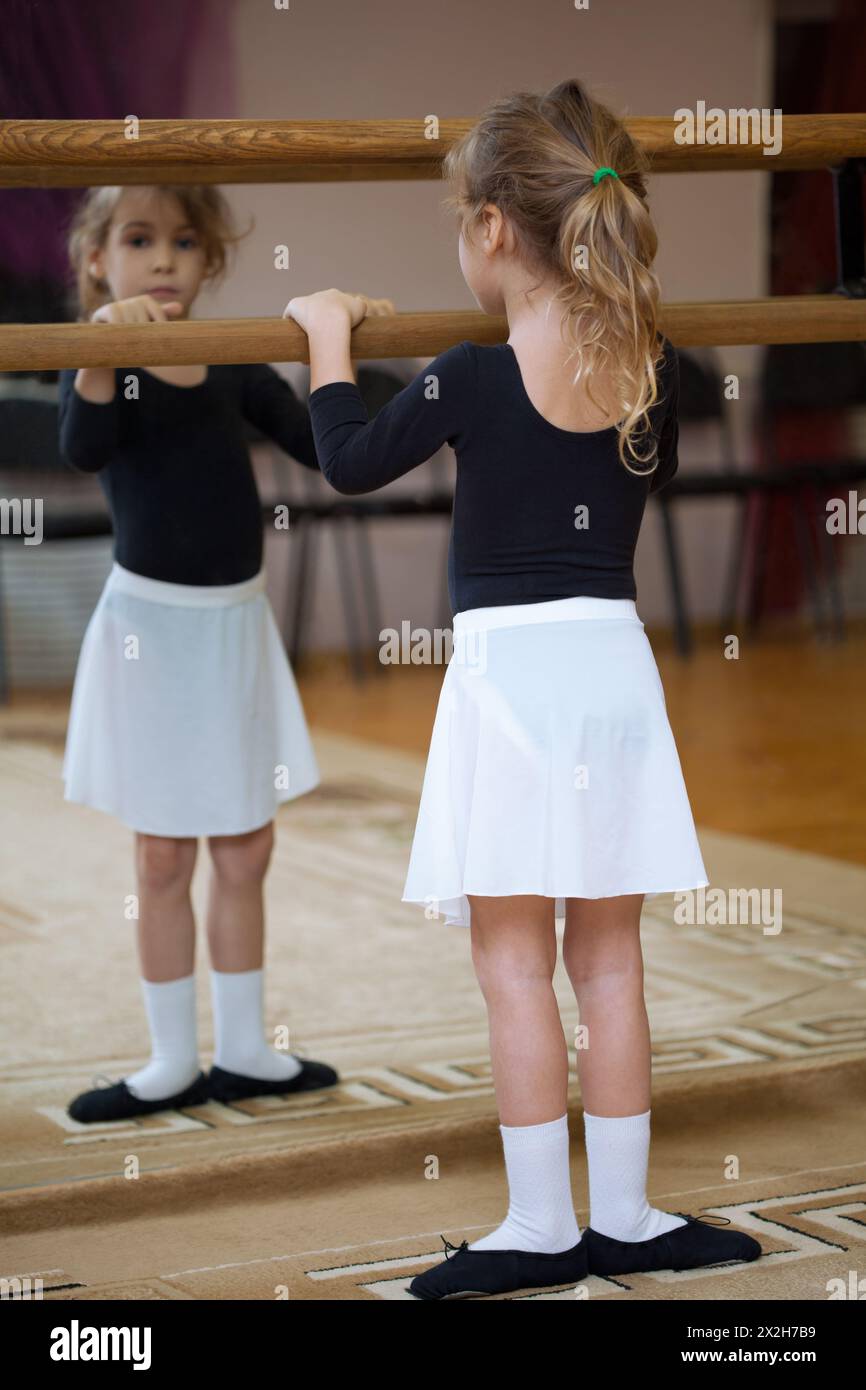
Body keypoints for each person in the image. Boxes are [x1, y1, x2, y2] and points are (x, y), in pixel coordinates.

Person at [284, 79, 762, 1298]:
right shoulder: (649, 363)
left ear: (492, 228)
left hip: (508, 682)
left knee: (511, 959)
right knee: (608, 957)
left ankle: (541, 1227)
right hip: (613, 669)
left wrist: (329, 334)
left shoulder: (466, 376)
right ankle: (632, 1213)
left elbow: (341, 460)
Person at [58, 182, 389, 1123]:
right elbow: (82, 450)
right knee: (163, 854)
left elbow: (326, 449)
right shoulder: (101, 362)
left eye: (186, 243)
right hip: (148, 638)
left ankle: (244, 1048)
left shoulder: (237, 367)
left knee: (246, 846)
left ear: (210, 264)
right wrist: (96, 354)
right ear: (97, 262)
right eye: (138, 240)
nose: (164, 260)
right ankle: (170, 1059)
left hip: (235, 630)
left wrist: (338, 344)